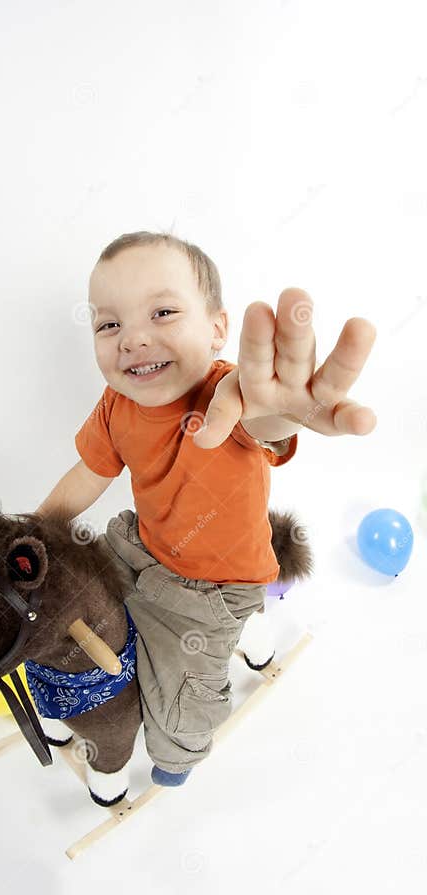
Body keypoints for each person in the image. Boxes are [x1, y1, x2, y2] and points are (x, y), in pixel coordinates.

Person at [36, 230, 377, 787]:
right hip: (146, 546)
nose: (132, 340)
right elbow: (89, 473)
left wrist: (286, 411)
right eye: (109, 324)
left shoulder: (230, 396)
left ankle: (179, 755)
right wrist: (36, 533)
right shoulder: (116, 403)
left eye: (163, 312)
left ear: (218, 329)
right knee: (74, 592)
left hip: (215, 588)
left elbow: (264, 422)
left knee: (180, 699)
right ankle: (67, 692)